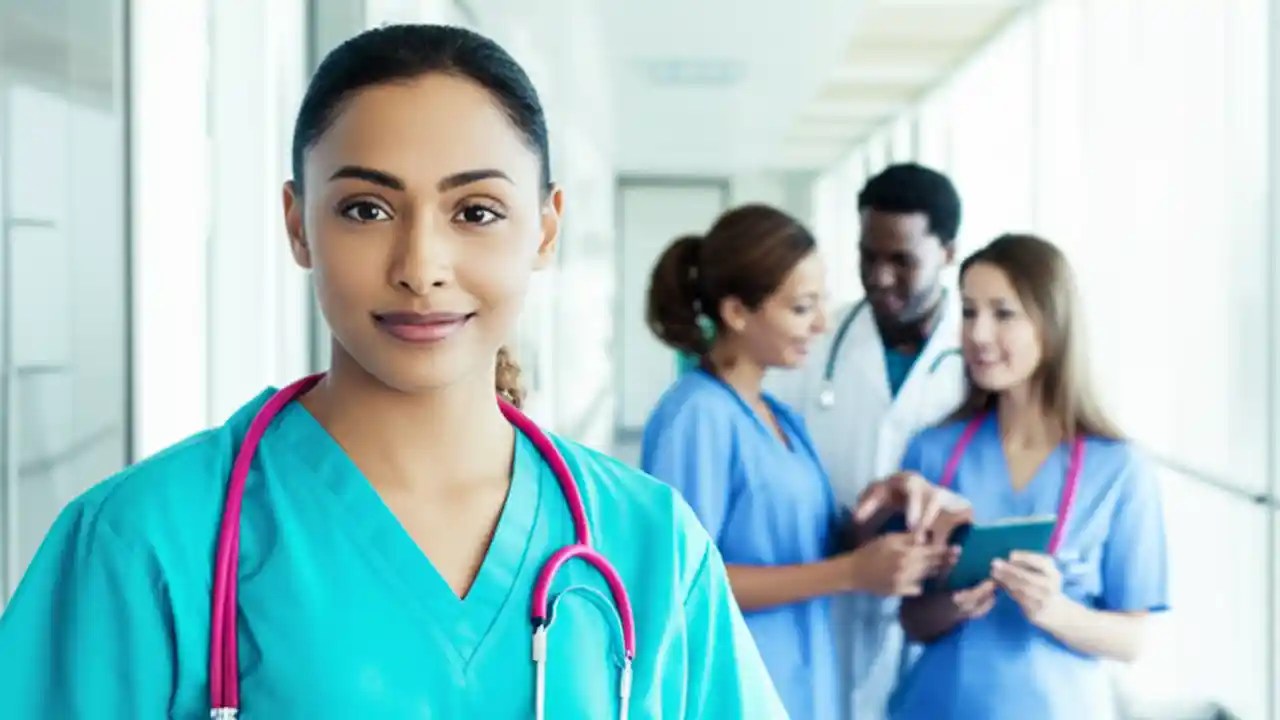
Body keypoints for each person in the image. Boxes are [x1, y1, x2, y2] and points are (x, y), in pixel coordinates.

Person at [0, 25, 788, 719]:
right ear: (296, 224)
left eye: (475, 211)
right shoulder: (145, 541)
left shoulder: (652, 548)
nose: (421, 267)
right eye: (366, 210)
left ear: (546, 230)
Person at [640, 204, 960, 720]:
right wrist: (851, 572)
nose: (822, 324)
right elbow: (686, 582)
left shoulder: (780, 418)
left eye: (822, 303)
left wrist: (888, 500)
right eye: (802, 307)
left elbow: (815, 541)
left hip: (801, 690)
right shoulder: (696, 416)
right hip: (732, 693)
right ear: (737, 312)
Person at [890, 234, 1169, 720]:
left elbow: (1132, 640)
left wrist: (1053, 610)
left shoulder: (1120, 469)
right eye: (970, 311)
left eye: (1003, 313)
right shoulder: (931, 453)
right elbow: (912, 619)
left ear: (1051, 324)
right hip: (939, 705)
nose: (977, 334)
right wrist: (954, 604)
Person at [767, 162, 969, 720]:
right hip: (826, 597)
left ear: (947, 253)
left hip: (934, 616)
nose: (879, 276)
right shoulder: (815, 342)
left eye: (902, 260)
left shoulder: (977, 356)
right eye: (867, 256)